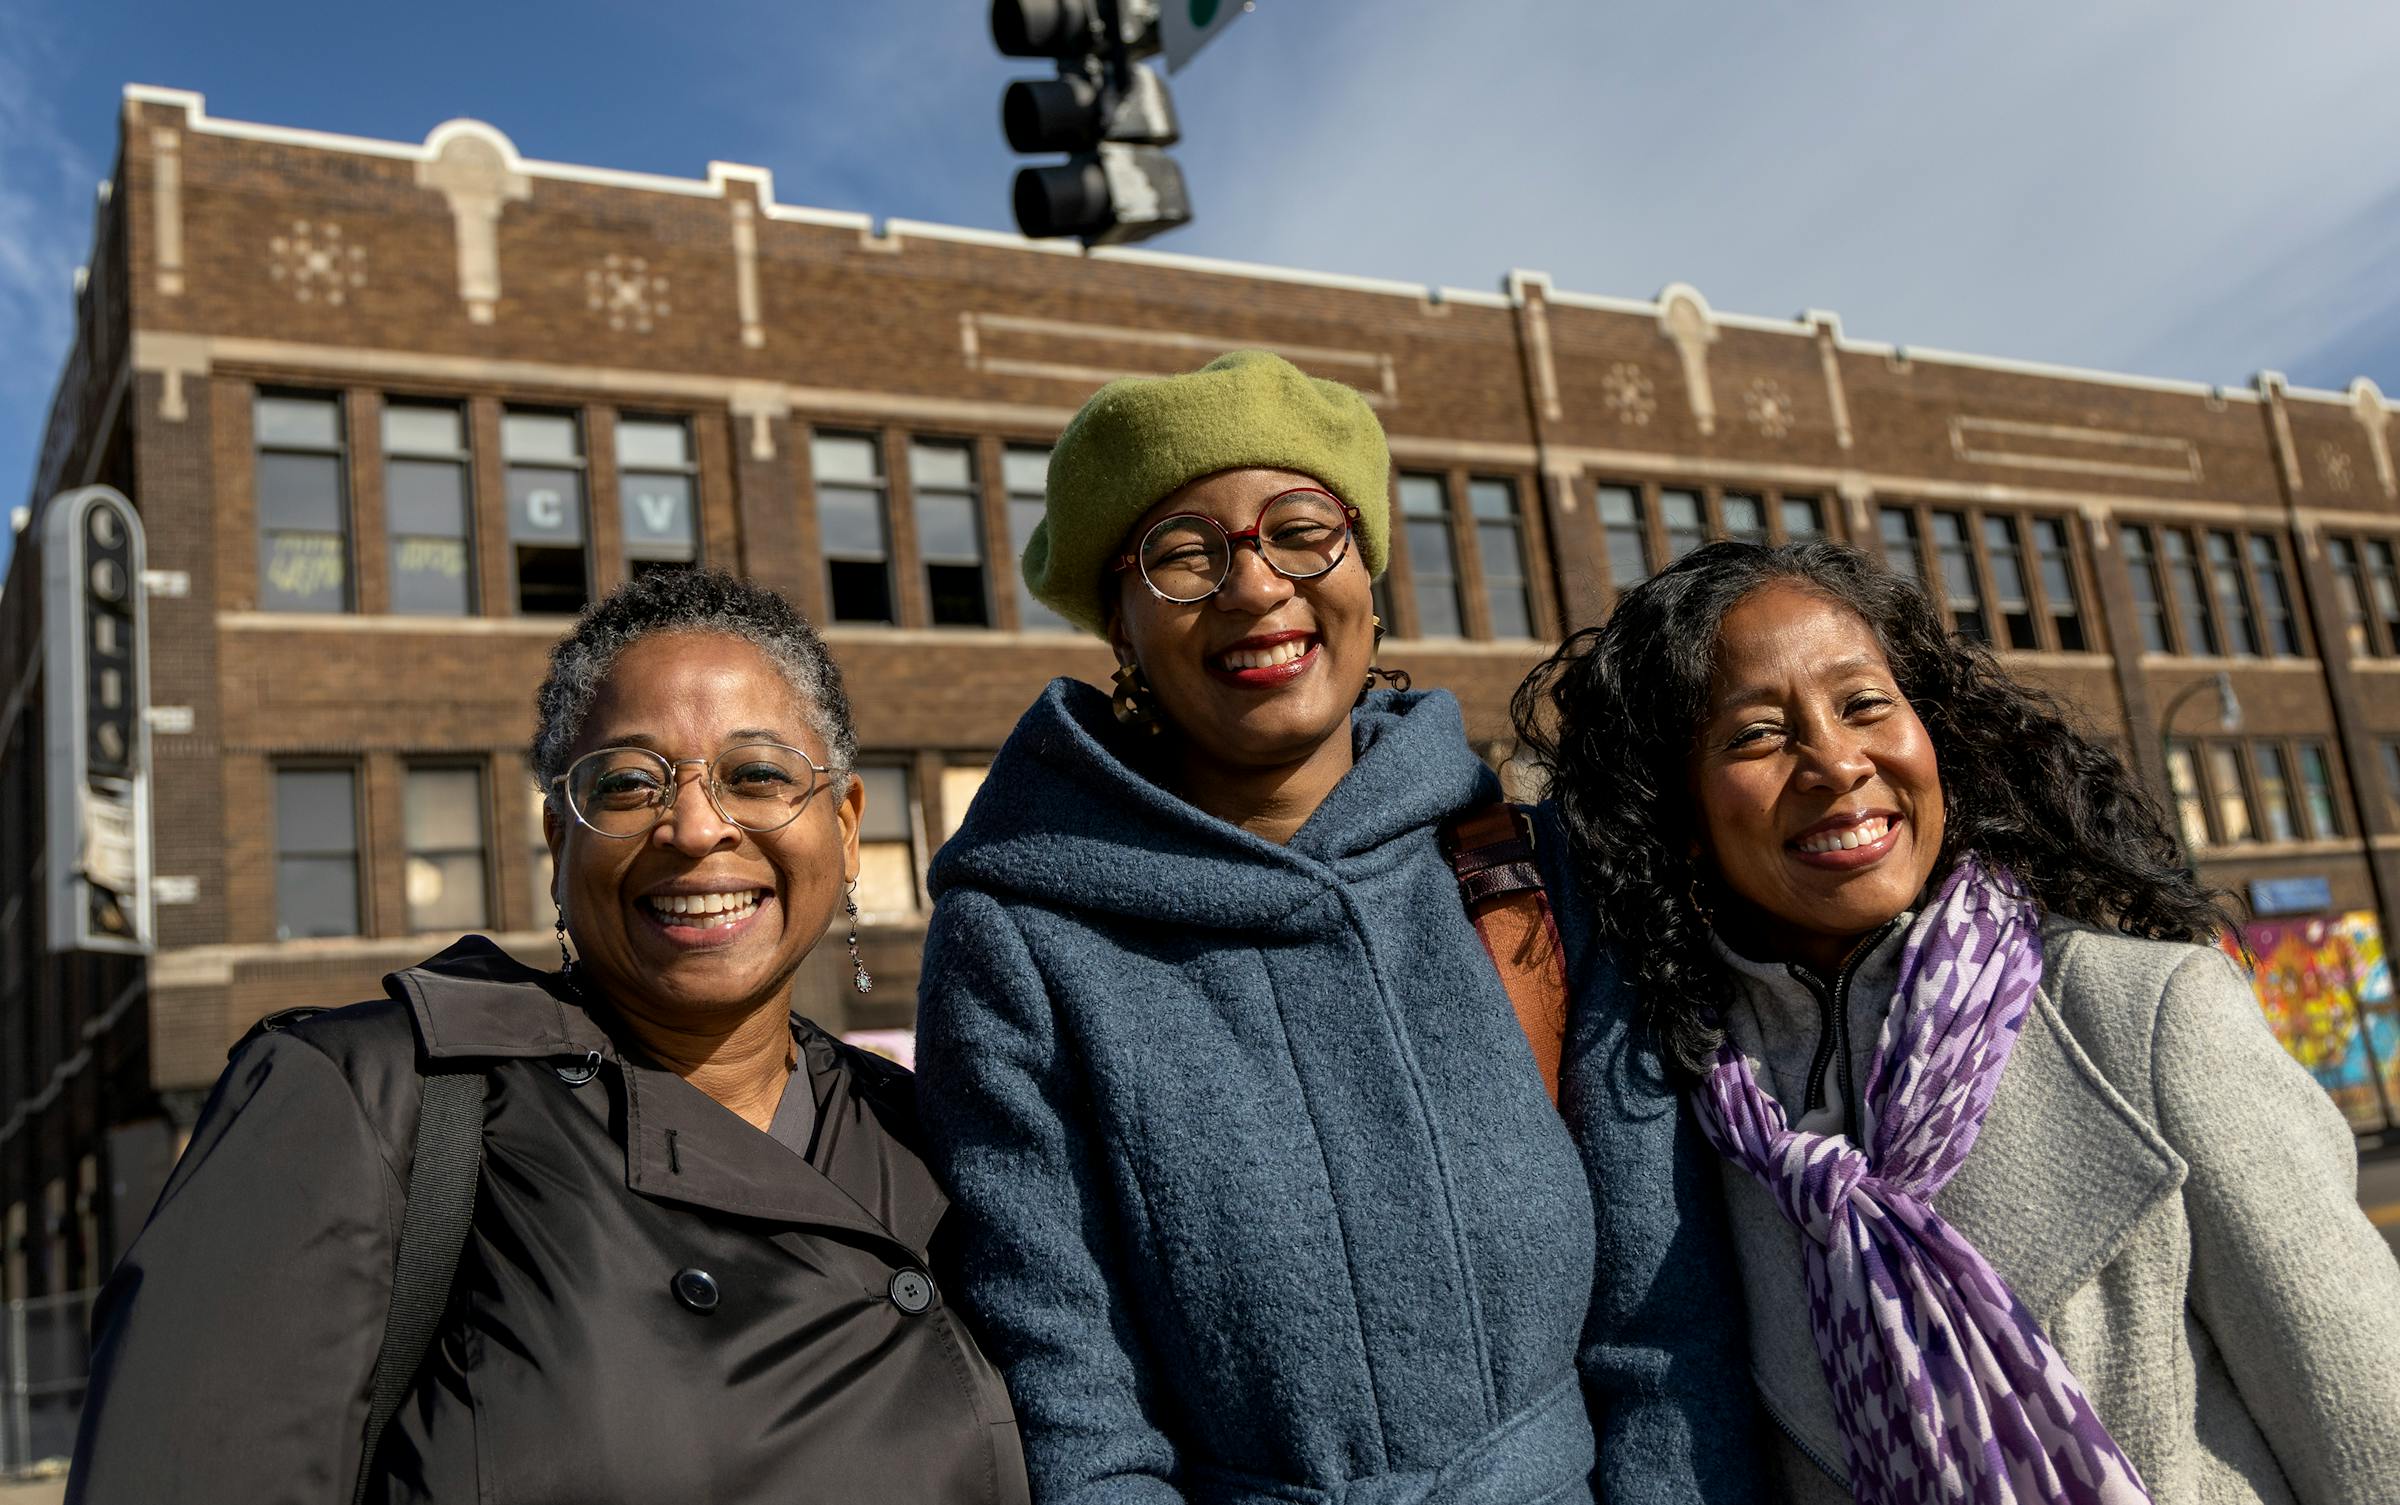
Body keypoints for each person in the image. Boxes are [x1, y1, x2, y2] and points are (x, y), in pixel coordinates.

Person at [914, 350, 1762, 1505]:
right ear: (1119, 626)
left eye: (1302, 532)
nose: (1256, 587)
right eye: (1182, 556)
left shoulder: (1530, 873)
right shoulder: (1022, 939)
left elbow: (1664, 1329)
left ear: (1367, 571)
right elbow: (1073, 1397)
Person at [70, 569, 1028, 1505]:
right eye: (626, 784)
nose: (696, 827)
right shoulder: (365, 1096)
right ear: (557, 840)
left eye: (758, 774)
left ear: (848, 825)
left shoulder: (935, 1140)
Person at [1513, 538, 2400, 1505]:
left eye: (1864, 705)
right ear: (1678, 813)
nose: (1835, 762)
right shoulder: (1686, 1109)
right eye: (1758, 735)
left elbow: (2369, 1425)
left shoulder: (2143, 1015)